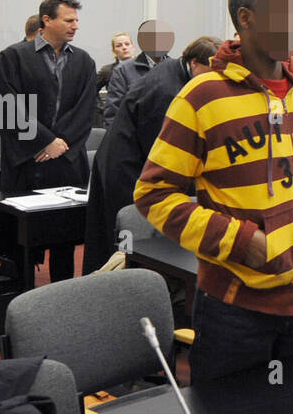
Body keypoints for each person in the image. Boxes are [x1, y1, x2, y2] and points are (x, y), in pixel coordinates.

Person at [135, 0, 293, 384]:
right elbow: (153, 194)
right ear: (246, 19)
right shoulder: (201, 96)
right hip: (237, 309)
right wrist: (241, 240)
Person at [82, 35, 220, 274]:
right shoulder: (167, 91)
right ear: (196, 63)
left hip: (129, 159)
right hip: (127, 171)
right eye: (212, 71)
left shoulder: (175, 69)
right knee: (128, 245)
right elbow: (164, 153)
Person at [0, 0, 96, 283]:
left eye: (76, 20)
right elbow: (9, 105)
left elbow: (85, 110)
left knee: (65, 238)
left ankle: (62, 296)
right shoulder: (13, 57)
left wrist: (60, 144)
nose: (75, 26)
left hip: (67, 161)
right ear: (47, 20)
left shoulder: (84, 61)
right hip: (27, 160)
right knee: (19, 237)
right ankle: (16, 295)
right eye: (68, 20)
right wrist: (43, 141)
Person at [102, 20, 173, 127]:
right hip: (135, 138)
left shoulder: (176, 69)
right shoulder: (123, 70)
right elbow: (113, 111)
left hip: (169, 138)